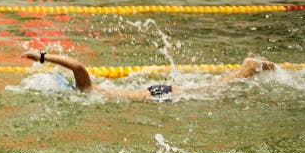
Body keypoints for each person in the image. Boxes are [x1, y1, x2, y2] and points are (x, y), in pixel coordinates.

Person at [21, 50, 276, 100]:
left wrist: (42, 56)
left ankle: (248, 70)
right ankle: (246, 71)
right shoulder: (88, 93)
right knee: (209, 89)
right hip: (152, 93)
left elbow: (77, 67)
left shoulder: (86, 90)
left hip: (154, 96)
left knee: (213, 92)